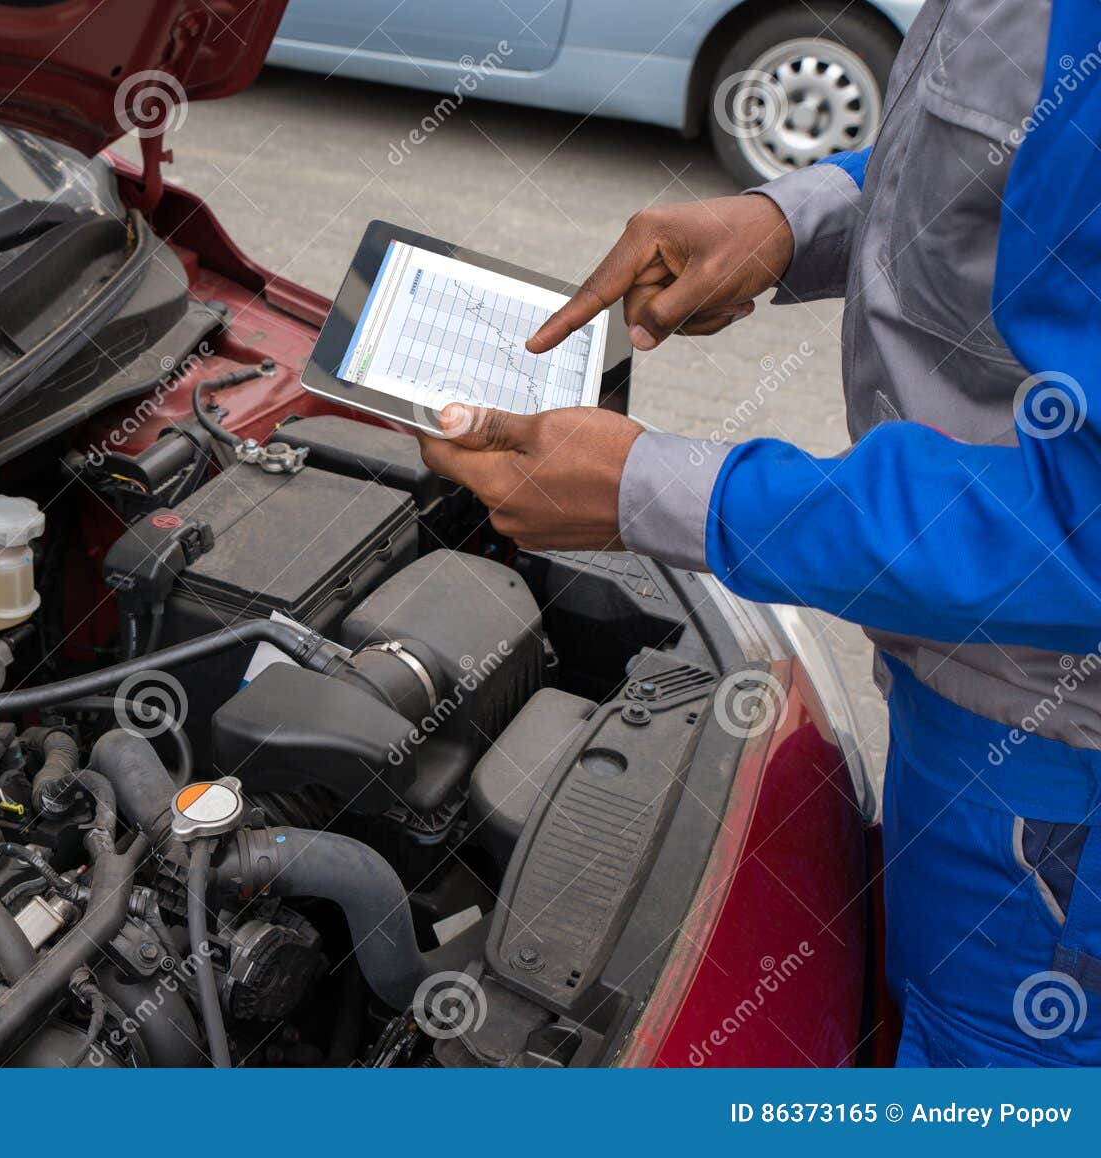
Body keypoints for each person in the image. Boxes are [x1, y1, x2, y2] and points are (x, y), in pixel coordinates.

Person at [418, 0, 1101, 1066]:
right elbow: (995, 172)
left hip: (1055, 785)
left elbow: (1084, 526)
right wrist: (788, 221)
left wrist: (659, 492)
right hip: (962, 683)